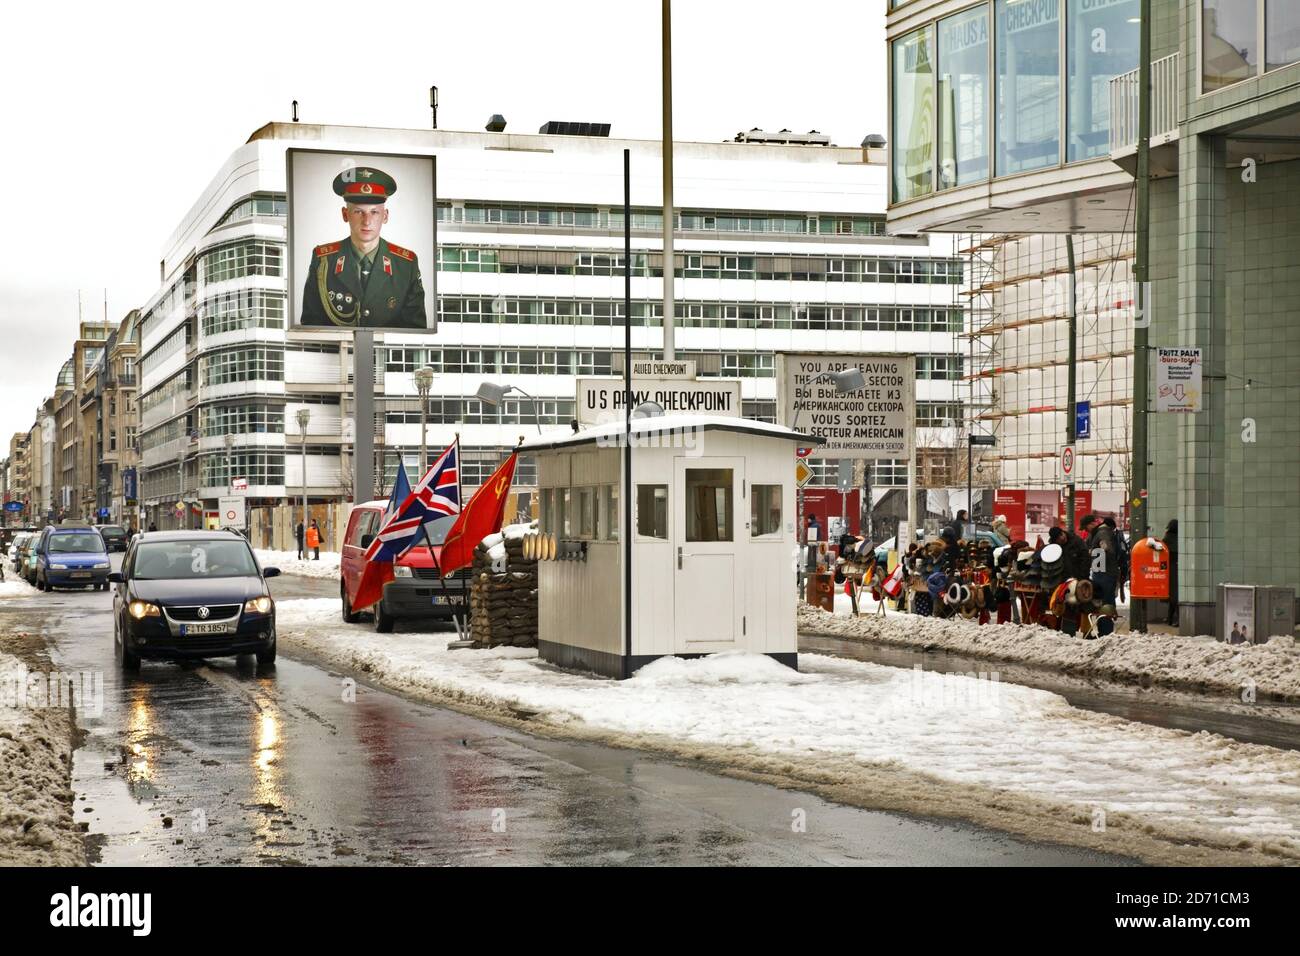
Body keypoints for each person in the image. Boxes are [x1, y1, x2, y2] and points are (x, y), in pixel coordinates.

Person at [299, 166, 427, 329]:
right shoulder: (323, 260)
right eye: (359, 212)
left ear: (385, 216)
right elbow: (312, 326)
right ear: (345, 214)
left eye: (374, 212)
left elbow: (415, 331)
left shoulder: (406, 264)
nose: (367, 221)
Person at [1083, 513, 1118, 606]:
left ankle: (1105, 620)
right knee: (1106, 601)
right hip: (1102, 572)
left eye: (1086, 528)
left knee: (1105, 602)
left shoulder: (1102, 532)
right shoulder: (1098, 533)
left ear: (1092, 524)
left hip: (1105, 573)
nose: (1086, 530)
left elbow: (1106, 548)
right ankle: (1105, 620)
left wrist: (1092, 552)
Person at [1164, 518, 1179, 627]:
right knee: (1175, 595)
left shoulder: (1168, 537)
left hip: (1171, 568)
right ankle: (1171, 618)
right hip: (1178, 567)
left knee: (1173, 595)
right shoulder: (1180, 537)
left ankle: (1172, 618)